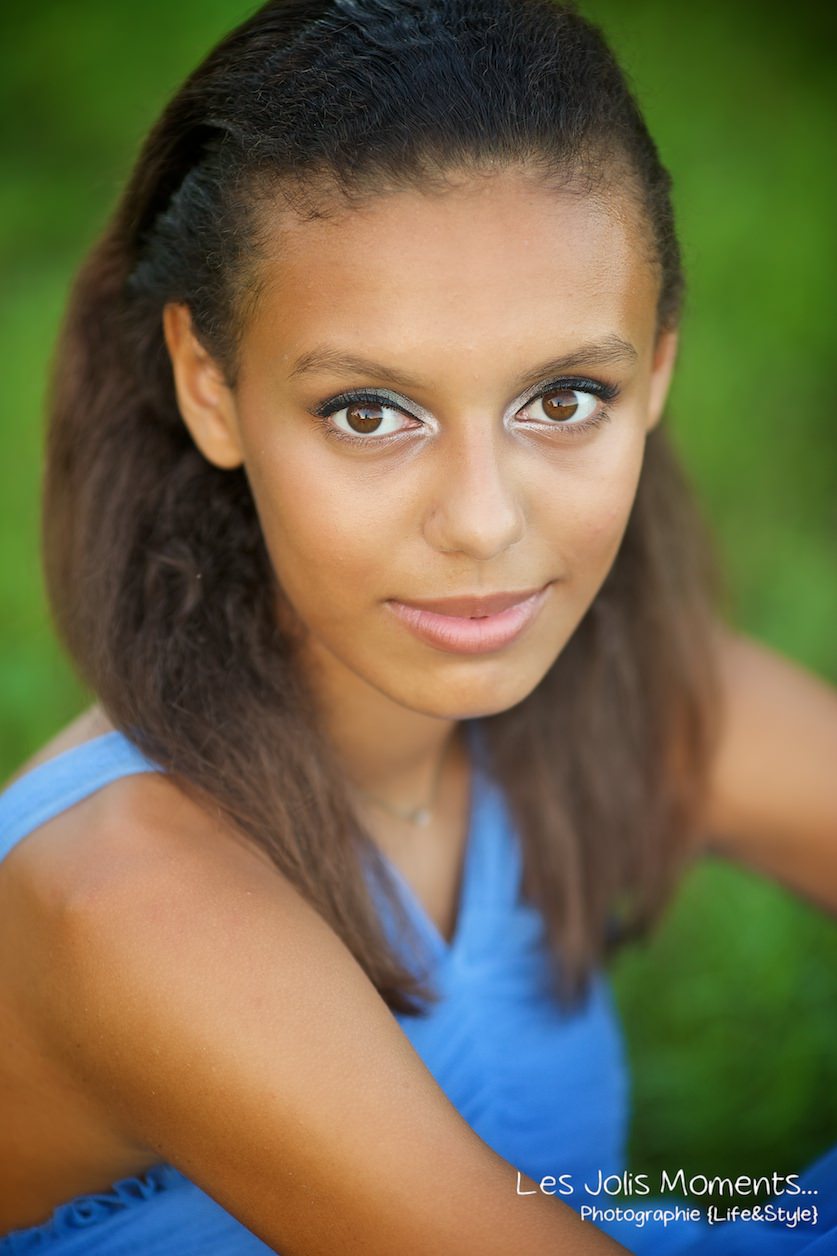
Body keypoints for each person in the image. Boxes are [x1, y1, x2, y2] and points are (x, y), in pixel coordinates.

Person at [0, 0, 834, 1252]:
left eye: (566, 396)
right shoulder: (130, 903)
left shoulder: (629, 697)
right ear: (211, 387)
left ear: (656, 373)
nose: (484, 522)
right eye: (370, 411)